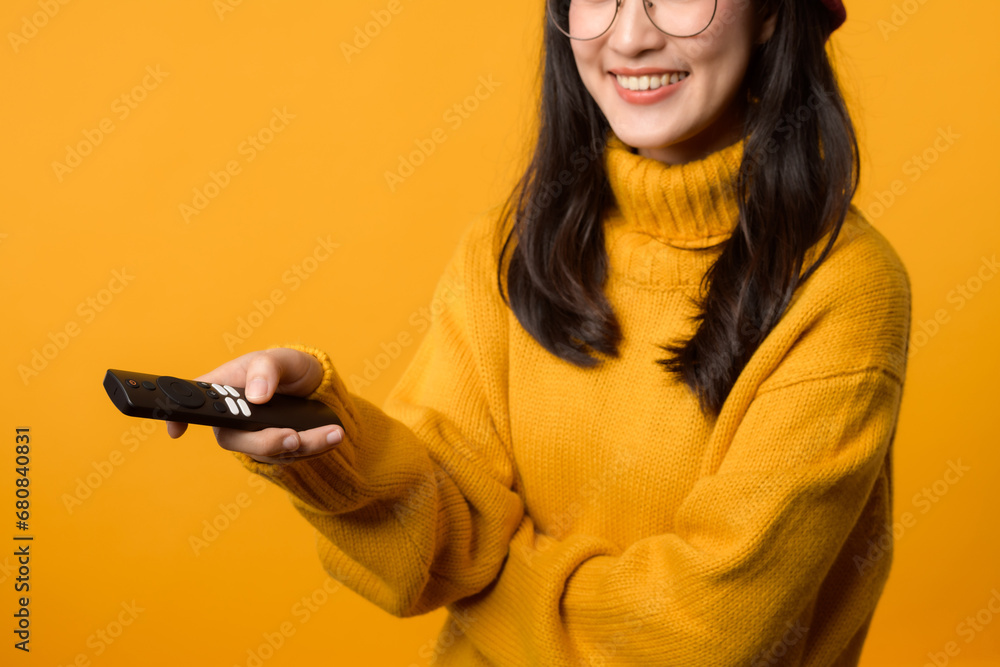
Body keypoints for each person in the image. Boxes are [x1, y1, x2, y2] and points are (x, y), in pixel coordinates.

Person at [168, 0, 911, 663]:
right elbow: (432, 546)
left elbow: (695, 637)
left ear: (775, 13)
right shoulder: (511, 248)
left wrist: (490, 575)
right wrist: (332, 441)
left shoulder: (845, 289)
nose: (630, 34)